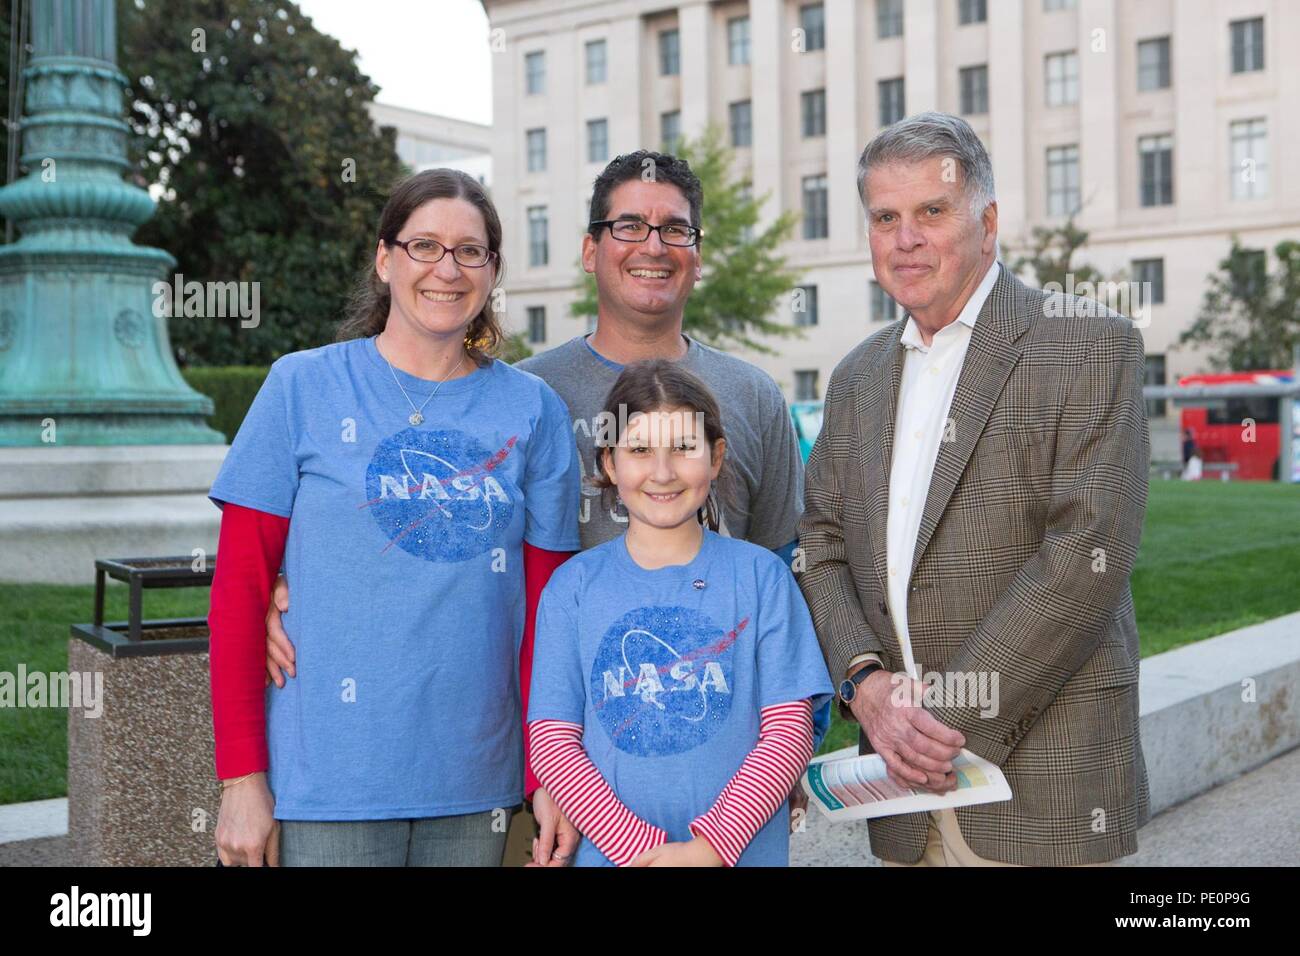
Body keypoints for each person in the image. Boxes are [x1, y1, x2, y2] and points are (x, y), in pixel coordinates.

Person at [263, 150, 828, 865]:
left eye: (674, 230)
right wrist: (277, 589)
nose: (653, 246)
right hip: (554, 774)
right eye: (629, 225)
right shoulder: (521, 396)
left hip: (723, 784)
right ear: (590, 249)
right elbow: (407, 524)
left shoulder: (751, 397)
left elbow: (789, 568)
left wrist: (797, 745)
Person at [799, 112, 1150, 866]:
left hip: (1040, 788)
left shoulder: (1090, 344)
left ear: (986, 223)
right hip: (902, 800)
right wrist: (864, 685)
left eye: (932, 211)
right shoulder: (856, 379)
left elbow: (1084, 556)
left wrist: (935, 721)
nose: (906, 238)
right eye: (885, 217)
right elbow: (820, 546)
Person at [208, 168, 580, 867]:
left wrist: (545, 773)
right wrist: (242, 780)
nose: (448, 268)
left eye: (471, 251)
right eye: (424, 246)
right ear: (385, 260)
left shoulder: (533, 411)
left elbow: (547, 617)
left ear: (493, 271)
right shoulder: (301, 386)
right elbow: (236, 596)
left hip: (476, 784)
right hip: (327, 782)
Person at [527, 360, 833, 866]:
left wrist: (710, 848)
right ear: (609, 463)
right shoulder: (573, 588)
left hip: (739, 853)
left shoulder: (761, 578)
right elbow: (553, 740)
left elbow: (788, 731)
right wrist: (644, 853)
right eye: (640, 450)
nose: (663, 472)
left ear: (715, 457)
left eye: (684, 449)